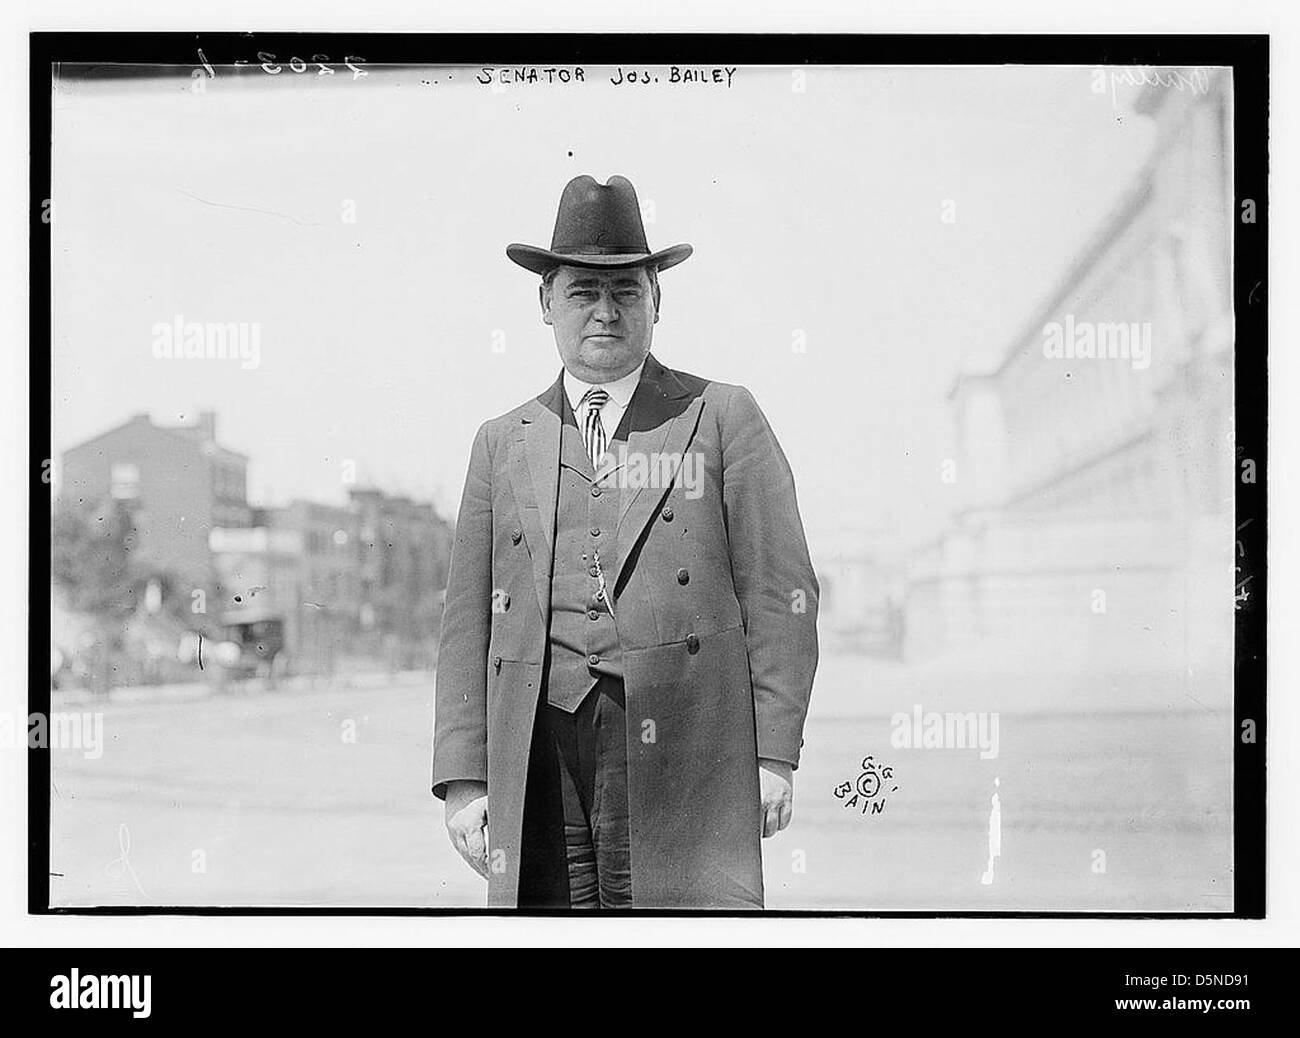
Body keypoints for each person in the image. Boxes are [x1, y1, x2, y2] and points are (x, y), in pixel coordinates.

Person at [432, 174, 819, 908]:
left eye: (626, 293)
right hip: (540, 753)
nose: (605, 312)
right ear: (546, 302)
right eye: (583, 293)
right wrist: (464, 777)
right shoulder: (499, 443)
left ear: (657, 303)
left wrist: (773, 753)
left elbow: (781, 595)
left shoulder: (722, 416)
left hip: (688, 747)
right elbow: (464, 623)